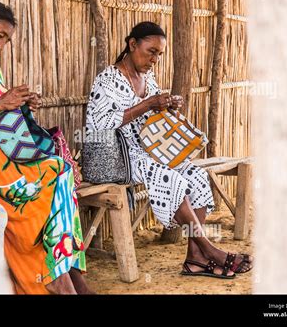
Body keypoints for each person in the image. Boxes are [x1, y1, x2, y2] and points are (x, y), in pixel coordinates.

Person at [86, 21, 253, 278]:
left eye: (159, 54)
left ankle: (195, 259)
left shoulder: (147, 78)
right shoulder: (107, 79)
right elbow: (99, 124)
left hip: (145, 151)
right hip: (114, 158)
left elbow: (151, 115)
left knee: (196, 176)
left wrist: (167, 105)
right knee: (170, 176)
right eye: (151, 51)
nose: (155, 59)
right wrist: (149, 103)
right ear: (132, 44)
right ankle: (209, 250)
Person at [0, 0, 93, 293]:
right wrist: (2, 103)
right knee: (50, 179)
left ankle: (67, 276)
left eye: (6, 39)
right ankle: (61, 281)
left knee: (61, 171)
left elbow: (2, 112)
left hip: (8, 156)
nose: (1, 45)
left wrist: (21, 105)